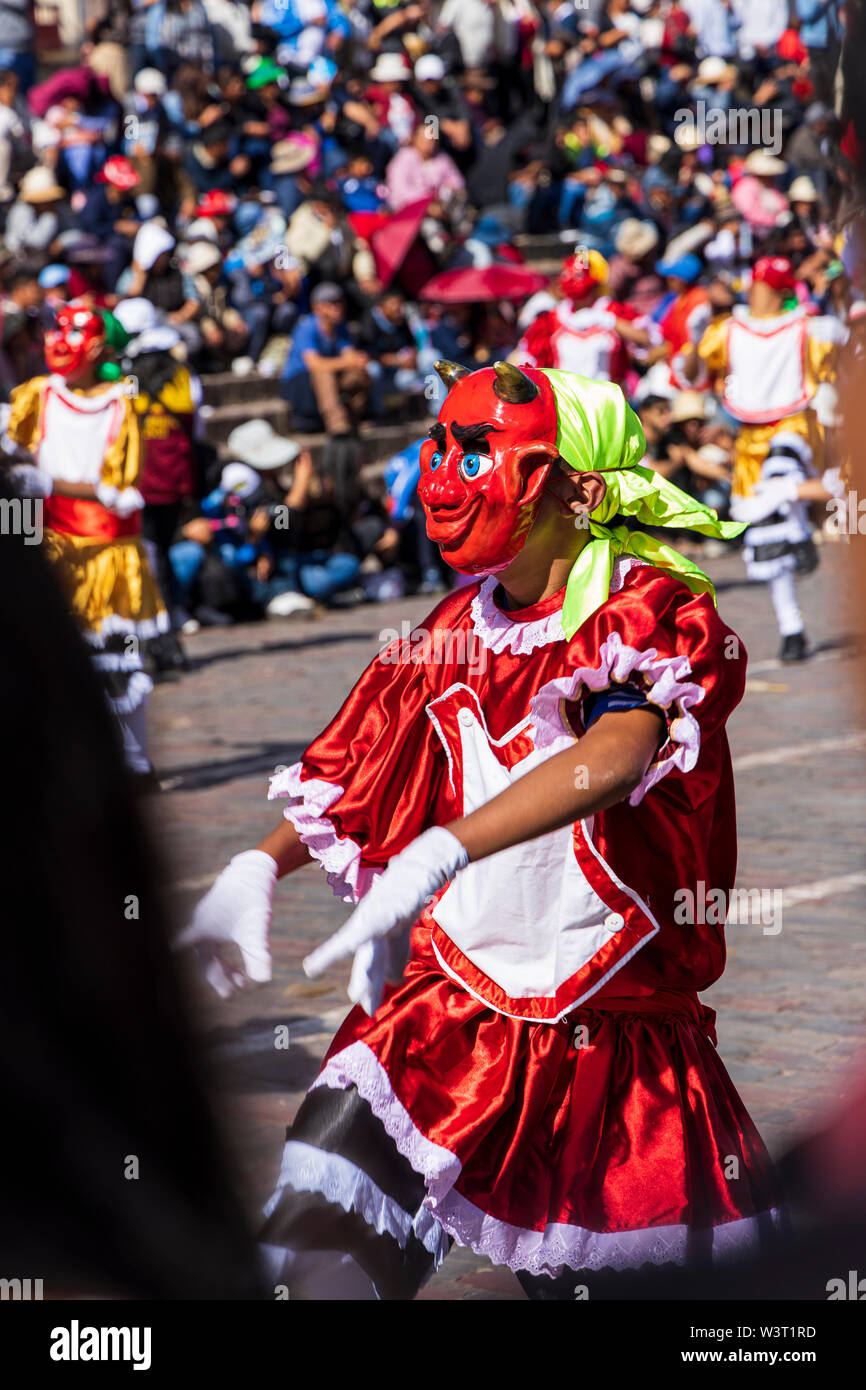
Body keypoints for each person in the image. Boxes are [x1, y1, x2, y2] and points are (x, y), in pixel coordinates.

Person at [182, 361, 782, 1301]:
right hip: (448, 1006)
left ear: (576, 488)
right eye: (439, 443)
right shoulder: (459, 622)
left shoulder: (648, 608)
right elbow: (358, 767)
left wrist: (448, 845)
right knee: (312, 1249)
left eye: (477, 448)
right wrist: (253, 867)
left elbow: (618, 752)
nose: (443, 470)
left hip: (605, 1038)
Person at [7, 303, 167, 782]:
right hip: (50, 547)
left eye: (75, 331)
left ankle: (135, 764)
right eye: (57, 327)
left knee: (120, 660)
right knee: (48, 660)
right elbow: (11, 463)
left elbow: (120, 491)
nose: (60, 338)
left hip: (108, 554)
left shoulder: (121, 403)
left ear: (99, 347)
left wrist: (49, 483)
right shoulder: (36, 395)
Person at [684, 254, 845, 499]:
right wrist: (695, 340)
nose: (755, 291)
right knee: (752, 513)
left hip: (794, 432)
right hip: (747, 438)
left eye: (764, 286)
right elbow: (692, 377)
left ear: (781, 292)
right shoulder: (727, 328)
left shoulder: (809, 328)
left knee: (793, 506)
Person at [515, 249, 655, 386]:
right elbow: (528, 358)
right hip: (568, 400)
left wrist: (609, 321)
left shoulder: (612, 311)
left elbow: (648, 339)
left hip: (608, 399)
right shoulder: (552, 318)